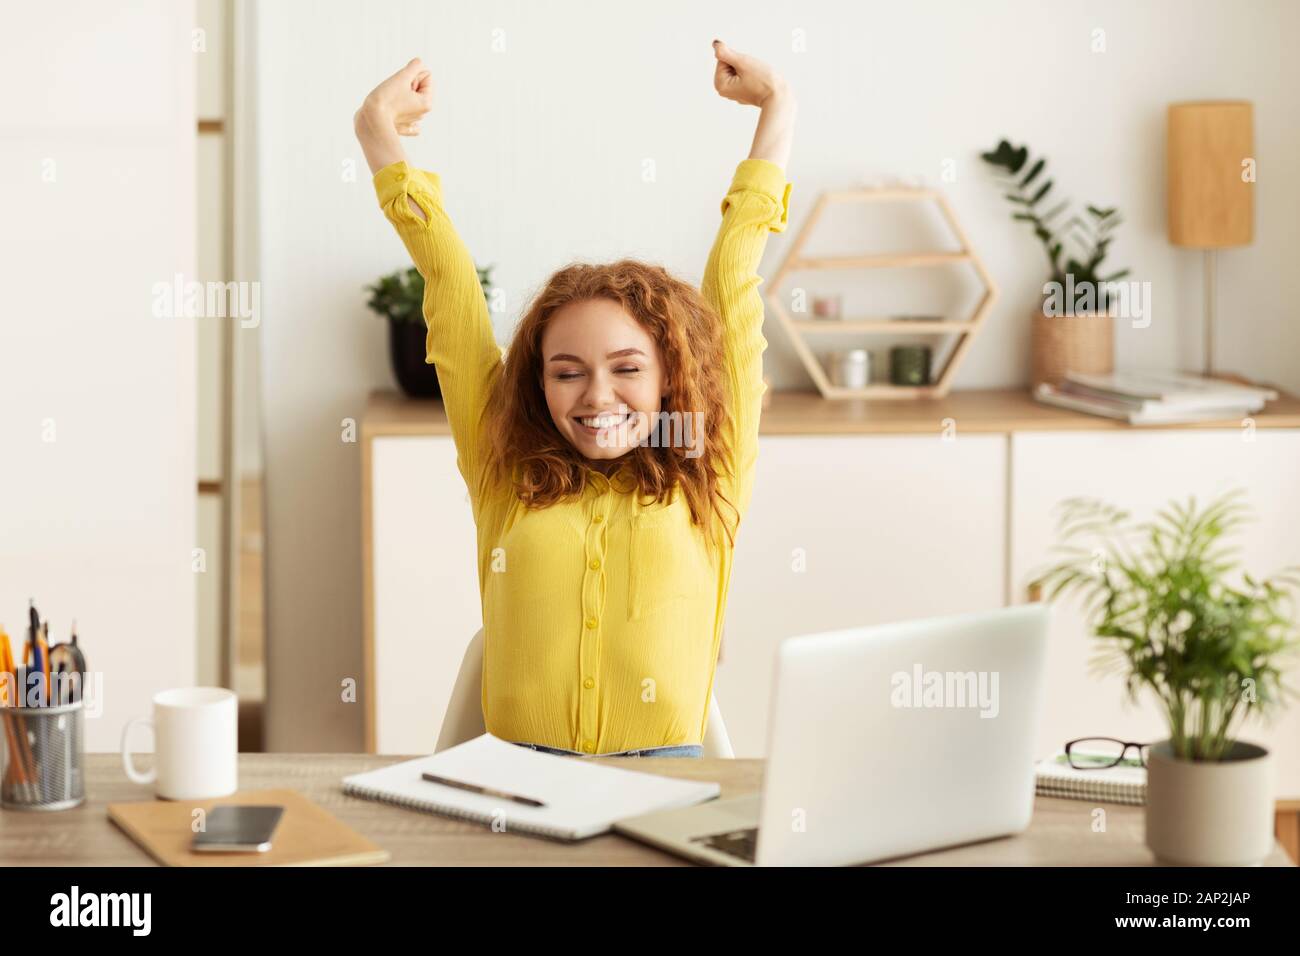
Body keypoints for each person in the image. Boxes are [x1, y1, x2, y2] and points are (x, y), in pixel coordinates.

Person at [354, 40, 796, 758]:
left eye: (626, 368)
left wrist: (778, 108)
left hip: (666, 797)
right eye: (566, 372)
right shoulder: (506, 467)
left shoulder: (703, 466)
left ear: (670, 379)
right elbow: (452, 295)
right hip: (517, 794)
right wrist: (380, 137)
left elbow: (735, 279)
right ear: (539, 383)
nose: (597, 397)